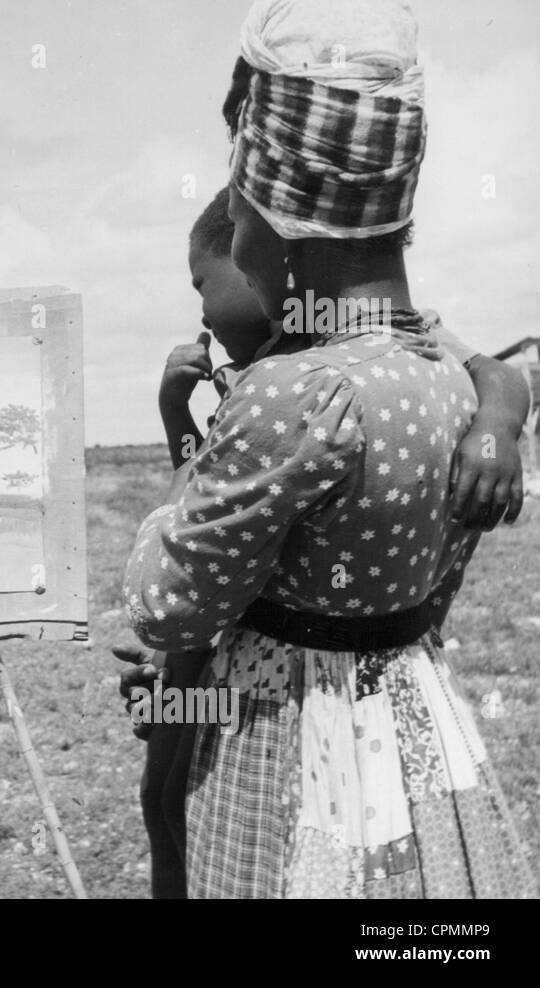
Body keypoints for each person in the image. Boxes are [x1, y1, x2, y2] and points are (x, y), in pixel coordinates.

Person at [125, 0, 536, 899]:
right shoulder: (447, 378)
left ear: (278, 224)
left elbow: (169, 611)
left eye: (237, 230)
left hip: (284, 735)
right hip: (412, 718)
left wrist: (168, 518)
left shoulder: (292, 393)